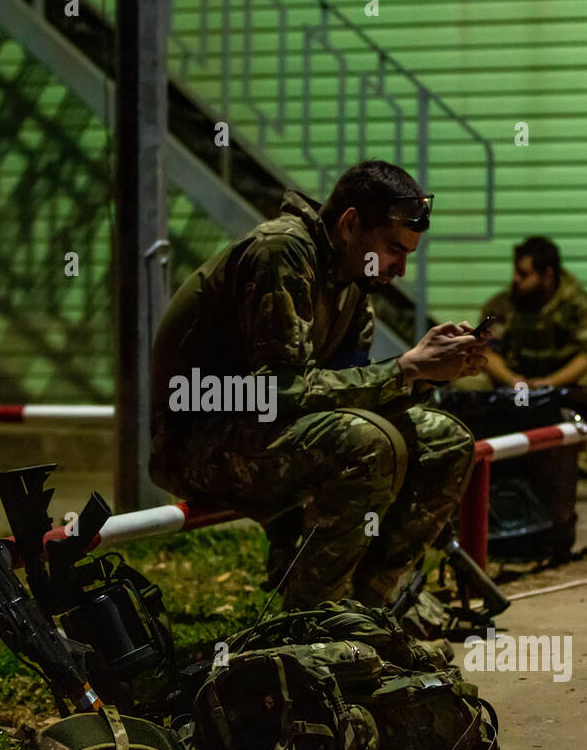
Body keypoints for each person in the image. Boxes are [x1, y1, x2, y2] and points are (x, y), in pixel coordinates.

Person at [148, 160, 487, 611]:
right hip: (200, 439)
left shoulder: (352, 284)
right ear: (349, 224)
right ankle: (311, 621)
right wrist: (407, 368)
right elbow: (280, 390)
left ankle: (371, 609)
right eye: (392, 249)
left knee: (446, 440)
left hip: (267, 430)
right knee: (368, 443)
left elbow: (346, 390)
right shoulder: (283, 251)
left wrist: (428, 374)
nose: (400, 268)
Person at [450, 236, 587, 391]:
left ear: (547, 275)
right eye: (515, 272)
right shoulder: (503, 304)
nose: (515, 279)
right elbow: (486, 350)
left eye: (524, 274)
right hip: (510, 383)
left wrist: (549, 383)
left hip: (563, 384)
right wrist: (513, 380)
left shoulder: (577, 305)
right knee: (468, 384)